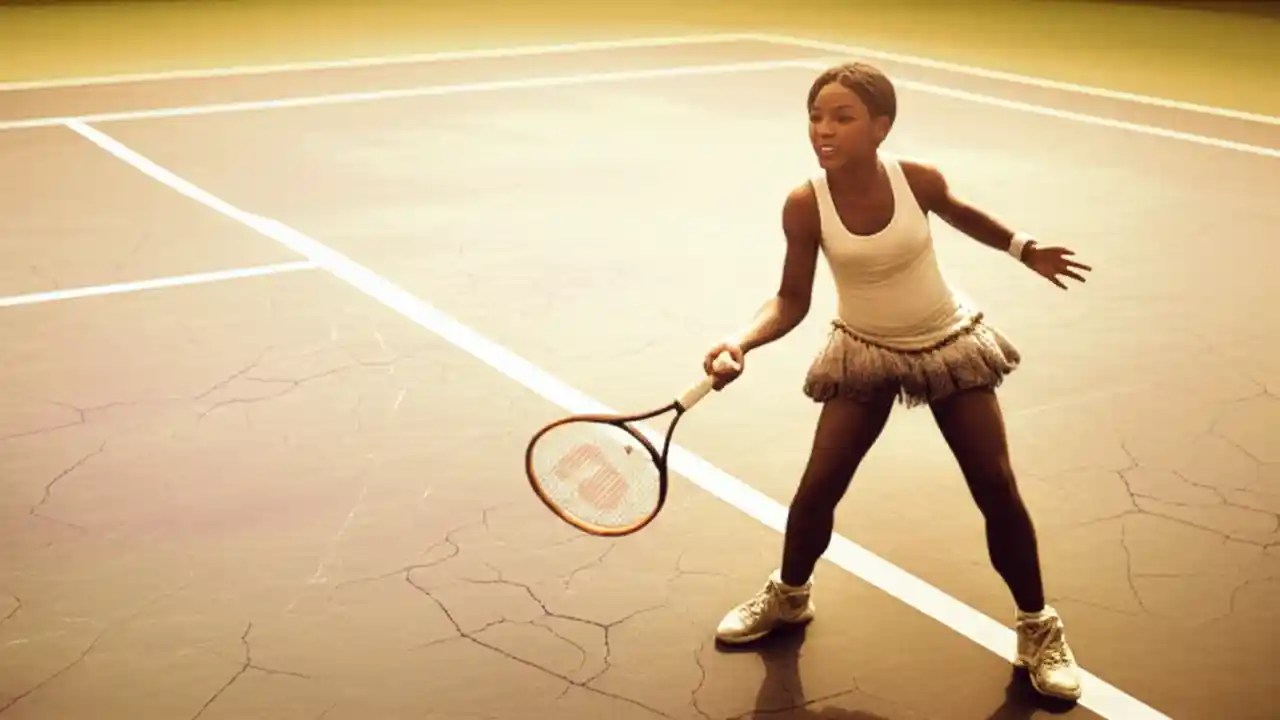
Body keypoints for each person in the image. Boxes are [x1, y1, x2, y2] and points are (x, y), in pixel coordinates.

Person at [701, 62, 1092, 702]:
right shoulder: (805, 204)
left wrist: (1026, 249)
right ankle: (790, 596)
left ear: (880, 126)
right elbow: (791, 298)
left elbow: (964, 215)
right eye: (816, 117)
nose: (824, 129)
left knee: (995, 485)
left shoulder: (917, 179)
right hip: (864, 350)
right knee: (818, 486)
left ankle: (1038, 629)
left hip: (947, 343)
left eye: (843, 117)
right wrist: (739, 342)